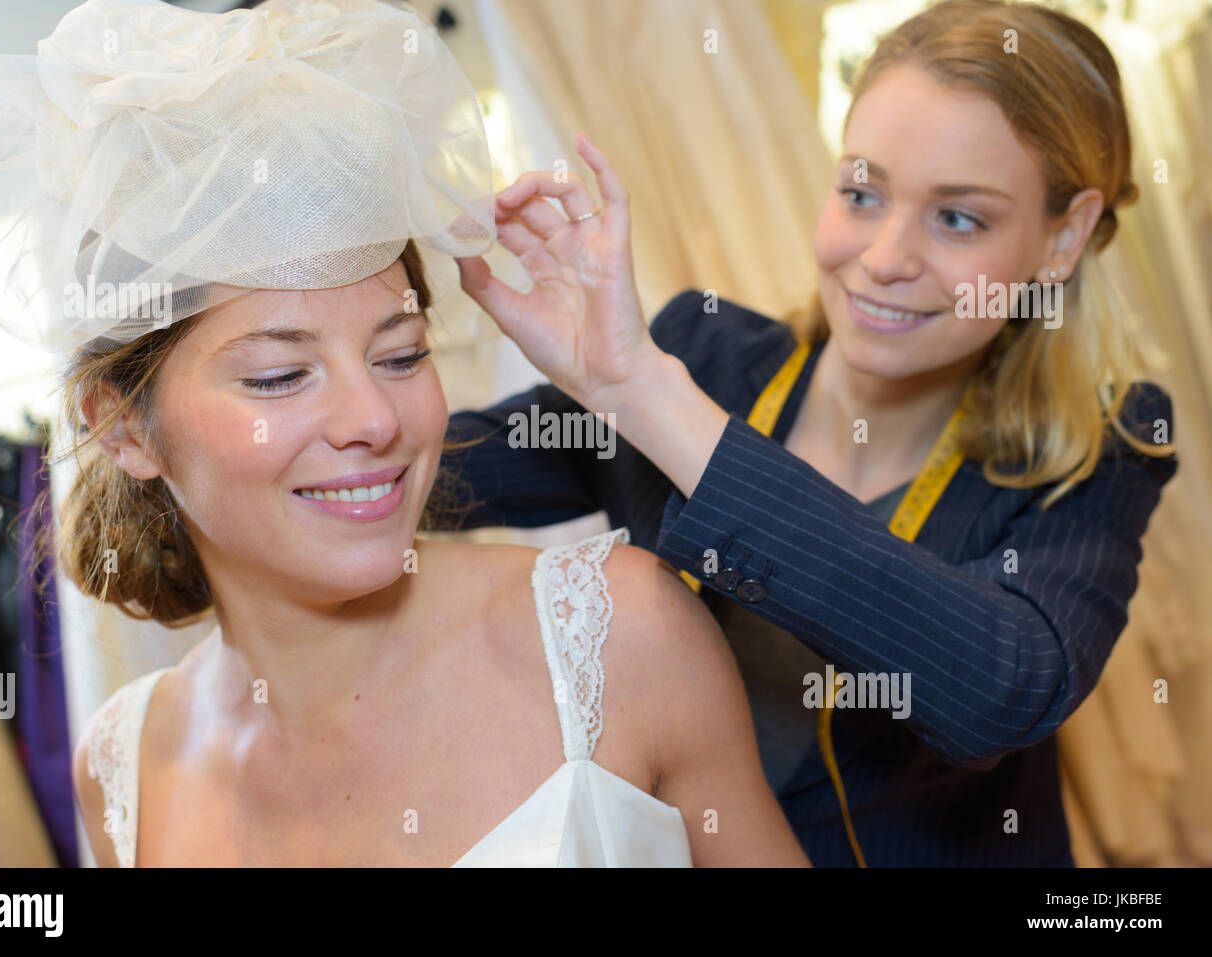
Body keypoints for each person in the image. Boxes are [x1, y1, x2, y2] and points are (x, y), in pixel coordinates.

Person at [0, 0, 809, 866]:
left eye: (401, 354)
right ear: (122, 429)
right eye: (279, 375)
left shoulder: (618, 636)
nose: (376, 420)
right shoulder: (123, 773)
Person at [445, 0, 1178, 866]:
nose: (884, 256)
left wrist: (643, 395)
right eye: (862, 193)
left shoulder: (1106, 447)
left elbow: (993, 691)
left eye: (957, 219)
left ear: (1063, 236)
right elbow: (424, 474)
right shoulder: (704, 355)